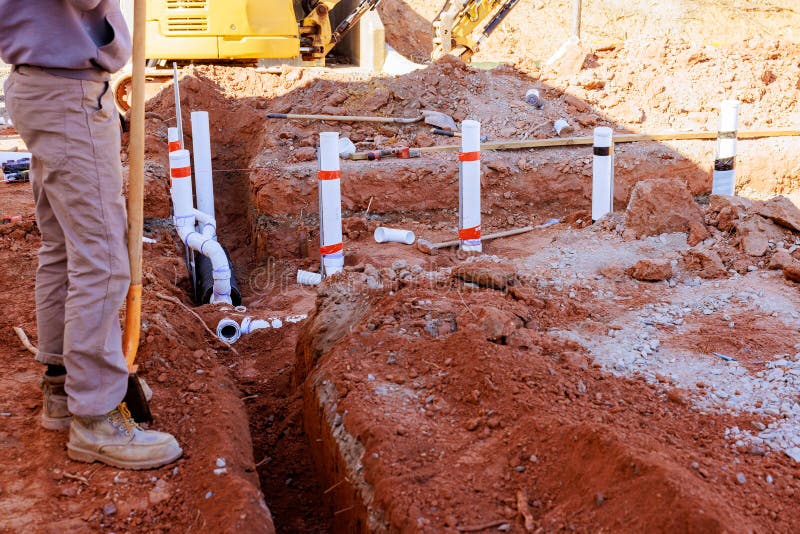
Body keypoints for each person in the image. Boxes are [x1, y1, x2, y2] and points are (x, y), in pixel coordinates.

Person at [0, 0, 181, 469]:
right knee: (100, 257)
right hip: (66, 96)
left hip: (42, 86)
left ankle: (63, 386)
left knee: (64, 247)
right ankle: (96, 416)